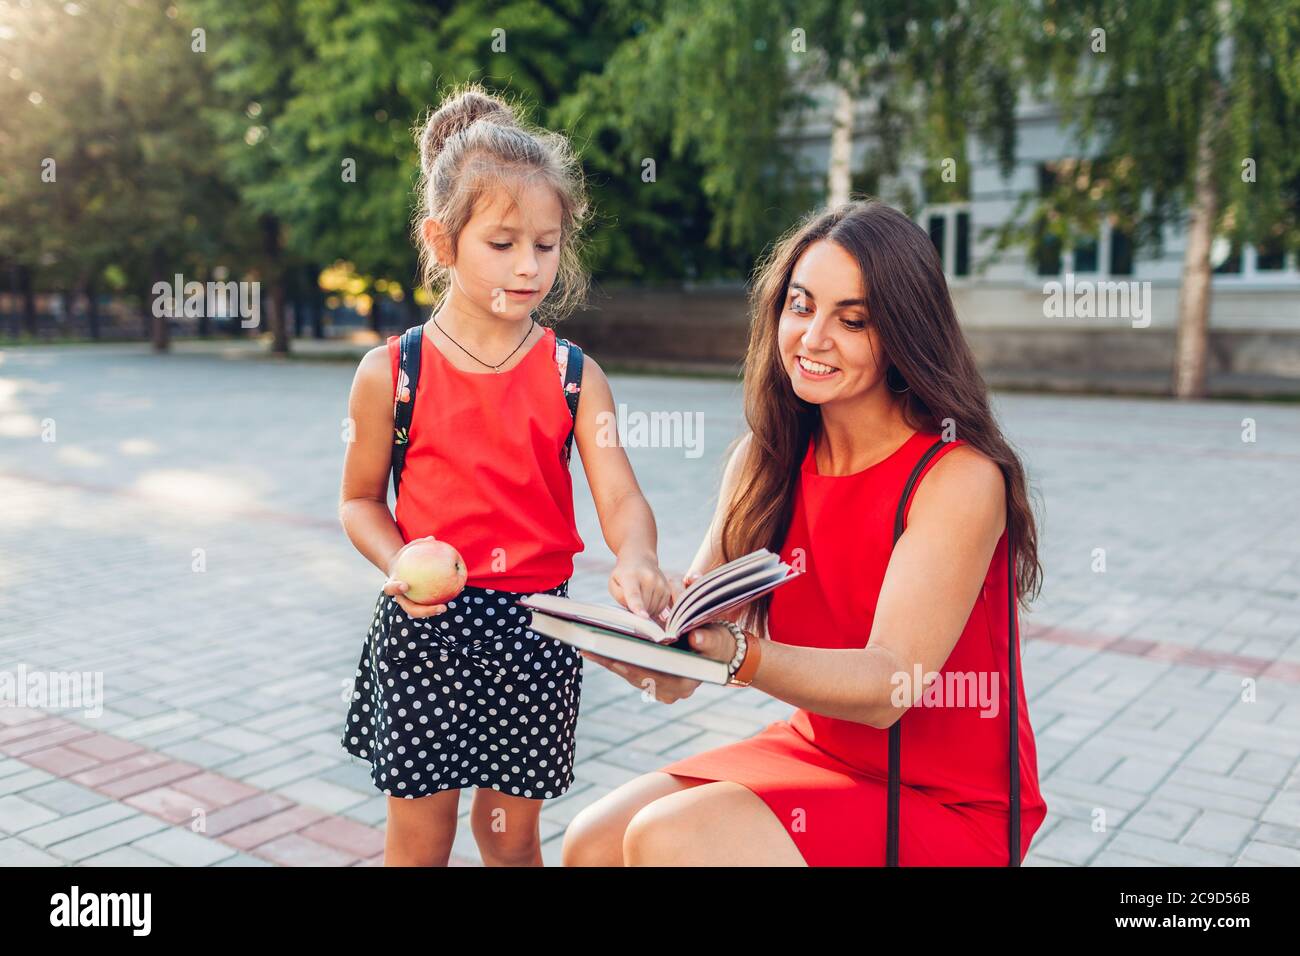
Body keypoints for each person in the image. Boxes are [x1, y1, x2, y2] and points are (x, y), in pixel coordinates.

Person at [564, 199, 1049, 866]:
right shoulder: (763, 461)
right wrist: (646, 637)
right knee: (592, 841)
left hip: (948, 800)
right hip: (818, 753)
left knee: (669, 839)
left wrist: (738, 655)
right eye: (801, 305)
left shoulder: (956, 477)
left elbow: (887, 691)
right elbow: (688, 657)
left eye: (852, 321)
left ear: (905, 335)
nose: (813, 337)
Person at [338, 85, 671, 866]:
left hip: (536, 631)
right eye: (503, 243)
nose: (529, 267)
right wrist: (398, 564)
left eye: (546, 245)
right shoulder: (393, 372)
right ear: (442, 241)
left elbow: (619, 494)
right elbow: (358, 500)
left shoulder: (572, 375)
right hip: (427, 633)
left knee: (512, 839)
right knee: (420, 841)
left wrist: (638, 556)